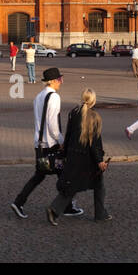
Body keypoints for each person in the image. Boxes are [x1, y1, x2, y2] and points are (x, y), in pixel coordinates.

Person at [9, 68, 82, 220]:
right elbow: (52, 123)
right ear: (54, 81)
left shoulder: (38, 96)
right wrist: (61, 142)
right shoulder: (54, 97)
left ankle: (19, 202)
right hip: (51, 144)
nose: (61, 83)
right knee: (65, 174)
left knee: (41, 175)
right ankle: (66, 207)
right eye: (60, 80)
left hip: (39, 143)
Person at [48, 89, 111, 224]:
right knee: (98, 185)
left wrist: (64, 153)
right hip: (87, 159)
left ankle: (55, 209)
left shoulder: (74, 112)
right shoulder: (94, 117)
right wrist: (99, 160)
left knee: (72, 185)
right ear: (93, 100)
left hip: (73, 155)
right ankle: (100, 214)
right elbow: (95, 143)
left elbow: (69, 135)